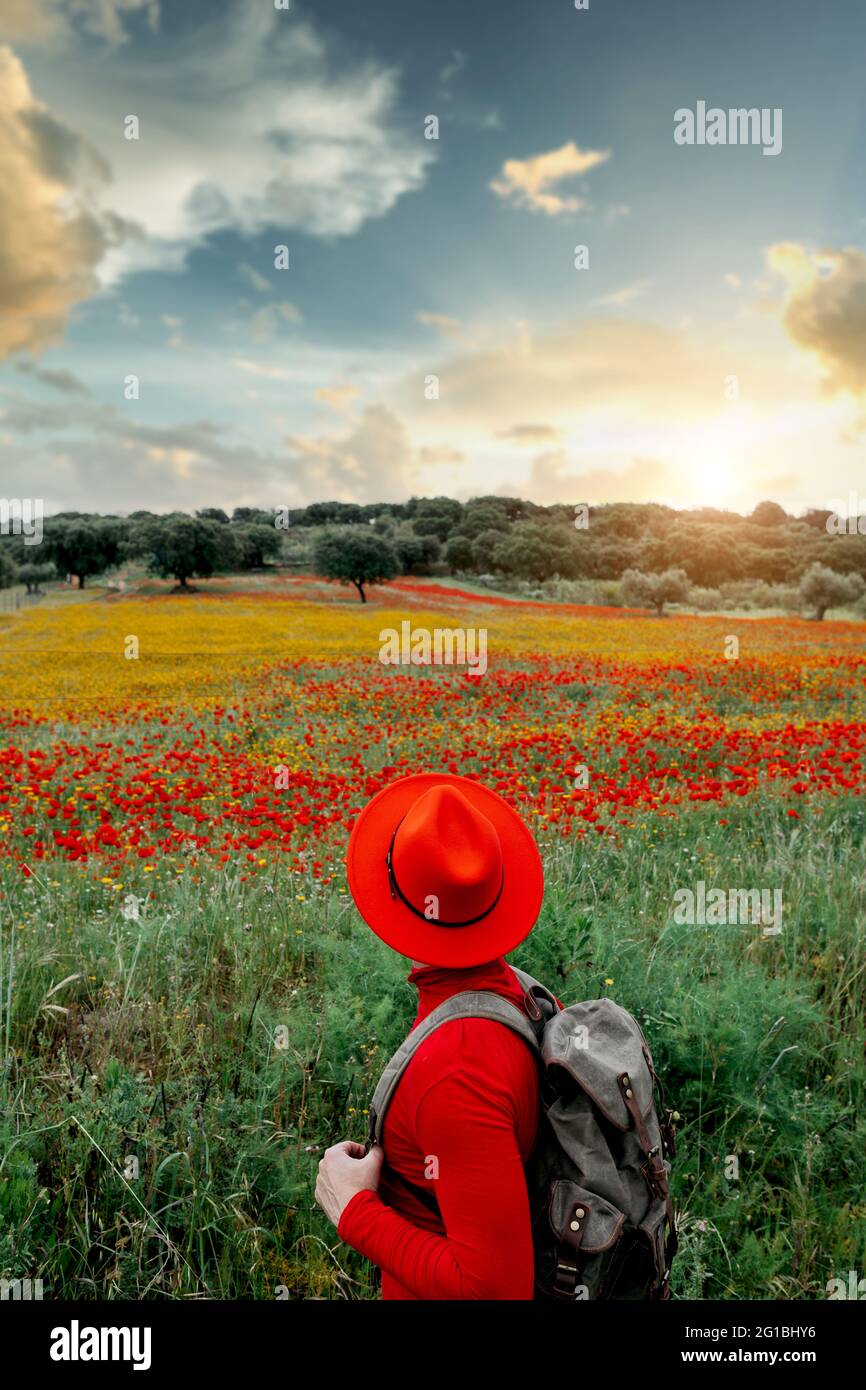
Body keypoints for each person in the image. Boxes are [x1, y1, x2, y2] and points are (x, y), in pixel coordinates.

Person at [315, 772, 545, 1300]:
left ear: (394, 894)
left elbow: (497, 1290)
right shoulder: (508, 992)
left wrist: (354, 1211)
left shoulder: (457, 1070)